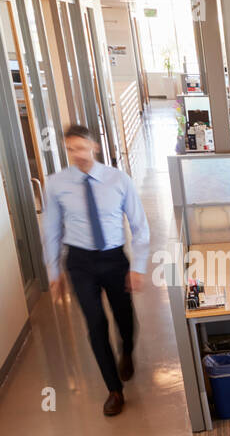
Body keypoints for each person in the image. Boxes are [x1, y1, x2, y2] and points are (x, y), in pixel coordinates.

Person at [43, 124, 150, 417]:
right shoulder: (56, 184)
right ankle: (114, 390)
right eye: (70, 149)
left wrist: (138, 267)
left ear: (95, 147)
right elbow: (51, 229)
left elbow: (139, 226)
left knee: (124, 316)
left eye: (81, 147)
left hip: (114, 259)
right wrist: (54, 272)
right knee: (95, 323)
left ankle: (127, 350)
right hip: (80, 263)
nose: (77, 155)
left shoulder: (118, 180)